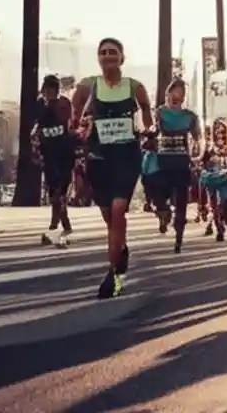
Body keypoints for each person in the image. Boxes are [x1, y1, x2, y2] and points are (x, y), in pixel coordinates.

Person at [70, 38, 154, 299]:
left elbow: (148, 120)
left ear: (122, 58)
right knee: (109, 215)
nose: (108, 56)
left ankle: (113, 273)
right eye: (103, 52)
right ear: (98, 58)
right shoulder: (87, 87)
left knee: (119, 210)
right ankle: (121, 251)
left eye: (113, 52)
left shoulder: (135, 88)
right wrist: (79, 131)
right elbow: (73, 122)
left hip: (127, 155)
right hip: (99, 157)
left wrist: (148, 132)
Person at [152, 80, 202, 253]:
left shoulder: (190, 116)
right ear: (168, 94)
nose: (177, 96)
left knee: (181, 200)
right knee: (158, 193)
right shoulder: (160, 112)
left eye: (181, 92)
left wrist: (198, 155)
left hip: (182, 160)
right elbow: (152, 130)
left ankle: (179, 235)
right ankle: (163, 213)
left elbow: (197, 139)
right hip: (163, 160)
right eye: (174, 92)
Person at [33, 75, 76, 248]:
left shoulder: (64, 104)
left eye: (53, 89)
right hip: (48, 153)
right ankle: (62, 224)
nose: (49, 93)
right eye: (47, 89)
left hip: (64, 151)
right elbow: (36, 123)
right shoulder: (40, 105)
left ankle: (56, 224)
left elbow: (66, 120)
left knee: (61, 190)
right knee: (54, 191)